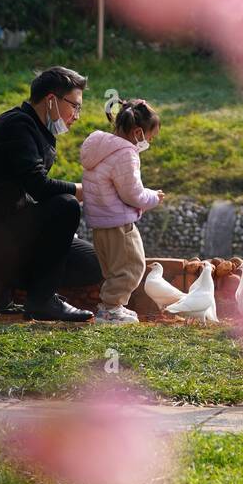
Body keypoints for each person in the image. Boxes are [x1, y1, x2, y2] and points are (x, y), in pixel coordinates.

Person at [0, 67, 101, 322]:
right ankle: (41, 301)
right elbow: (39, 185)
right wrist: (82, 191)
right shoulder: (17, 126)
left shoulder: (39, 129)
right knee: (66, 205)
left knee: (95, 264)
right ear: (51, 100)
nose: (77, 116)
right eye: (75, 106)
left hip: (14, 231)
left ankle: (1, 281)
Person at [79, 98, 165, 324]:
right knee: (132, 266)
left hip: (100, 223)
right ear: (138, 132)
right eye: (150, 138)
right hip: (119, 223)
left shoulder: (99, 147)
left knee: (112, 269)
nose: (149, 143)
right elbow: (132, 194)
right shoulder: (126, 153)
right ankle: (110, 310)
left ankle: (112, 306)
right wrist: (153, 197)